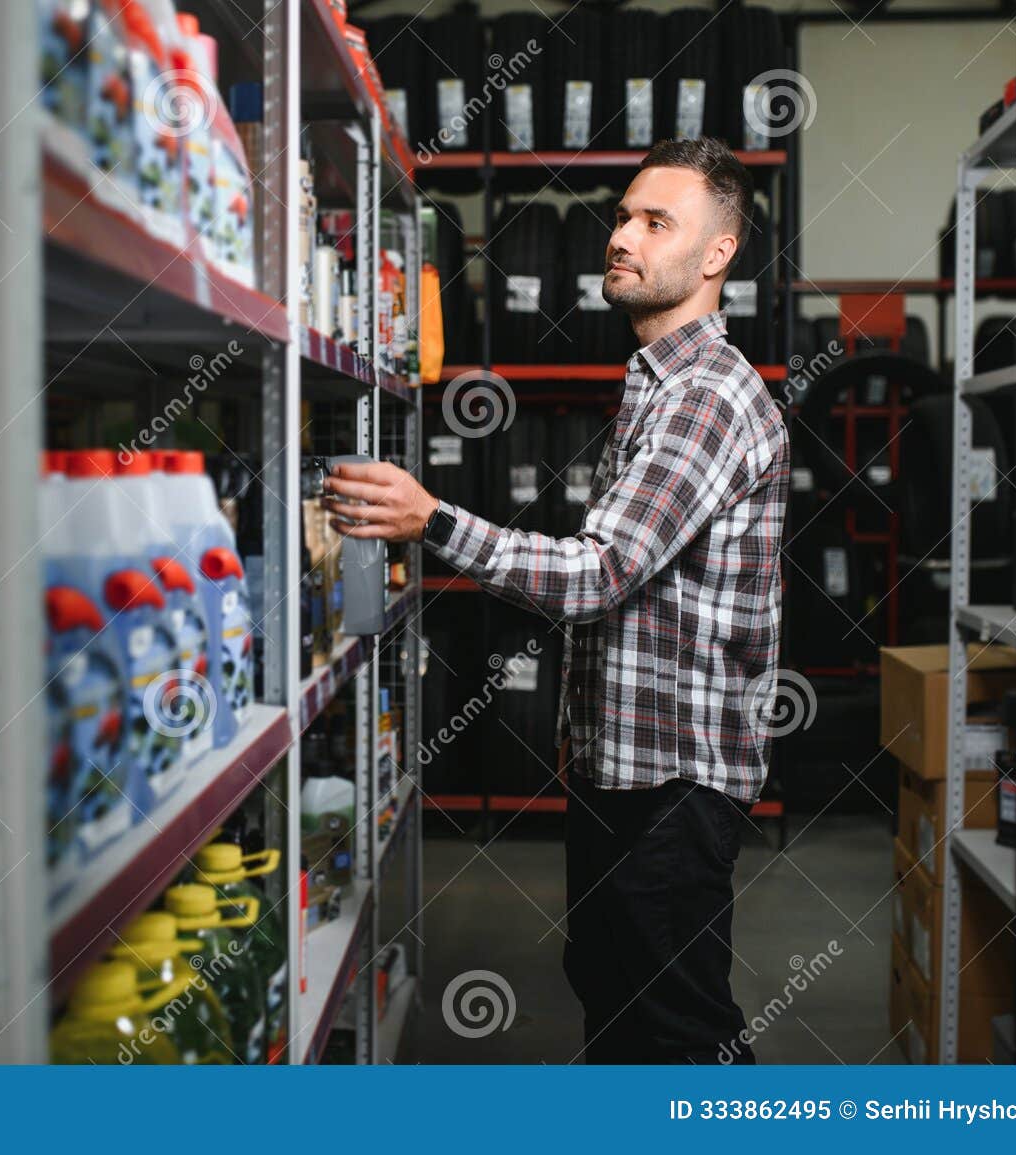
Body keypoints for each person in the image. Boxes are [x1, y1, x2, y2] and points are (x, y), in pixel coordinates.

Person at [321, 137, 789, 1064]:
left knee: (678, 1028)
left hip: (674, 785)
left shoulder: (707, 399)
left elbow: (599, 574)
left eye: (657, 222)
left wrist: (431, 519)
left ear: (717, 254)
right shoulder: (655, 387)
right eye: (623, 216)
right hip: (626, 766)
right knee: (613, 998)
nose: (623, 237)